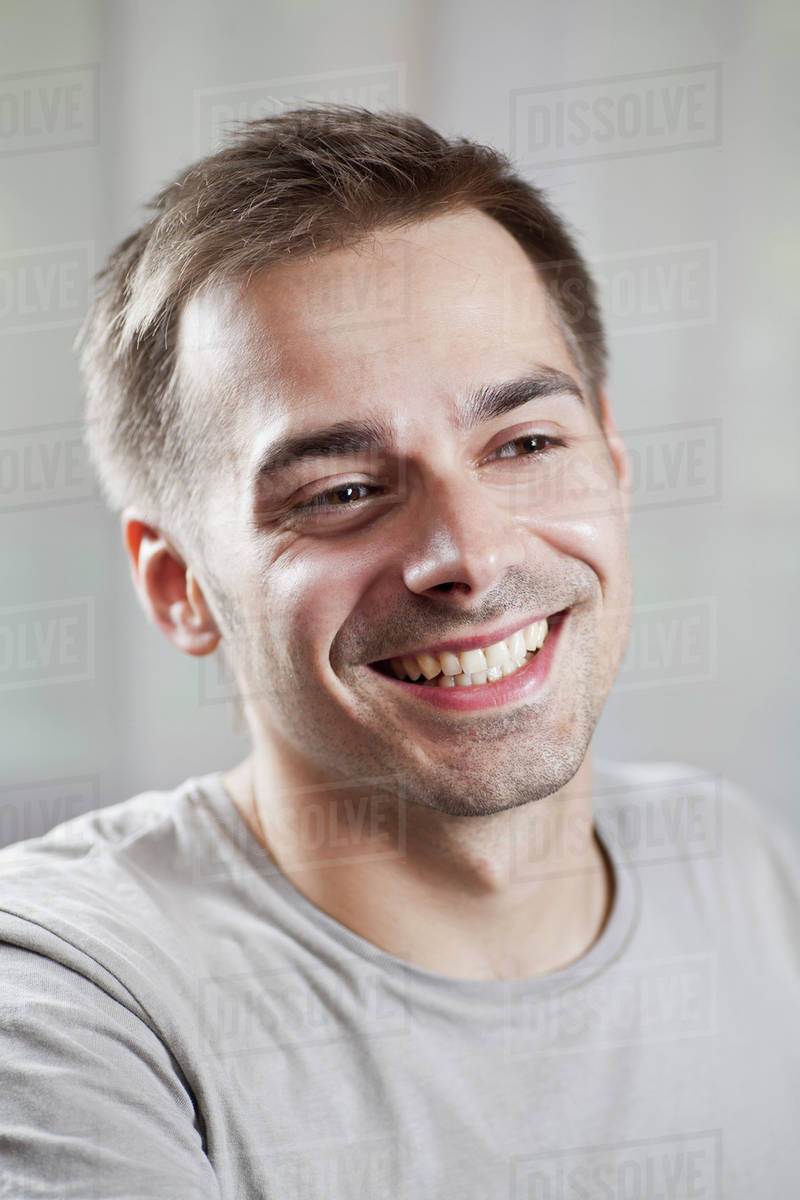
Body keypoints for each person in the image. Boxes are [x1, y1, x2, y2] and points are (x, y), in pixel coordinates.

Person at [0, 105, 797, 1198]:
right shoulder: (68, 1004)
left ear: (610, 460)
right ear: (180, 586)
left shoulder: (744, 871)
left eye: (522, 444)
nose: (464, 554)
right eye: (338, 492)